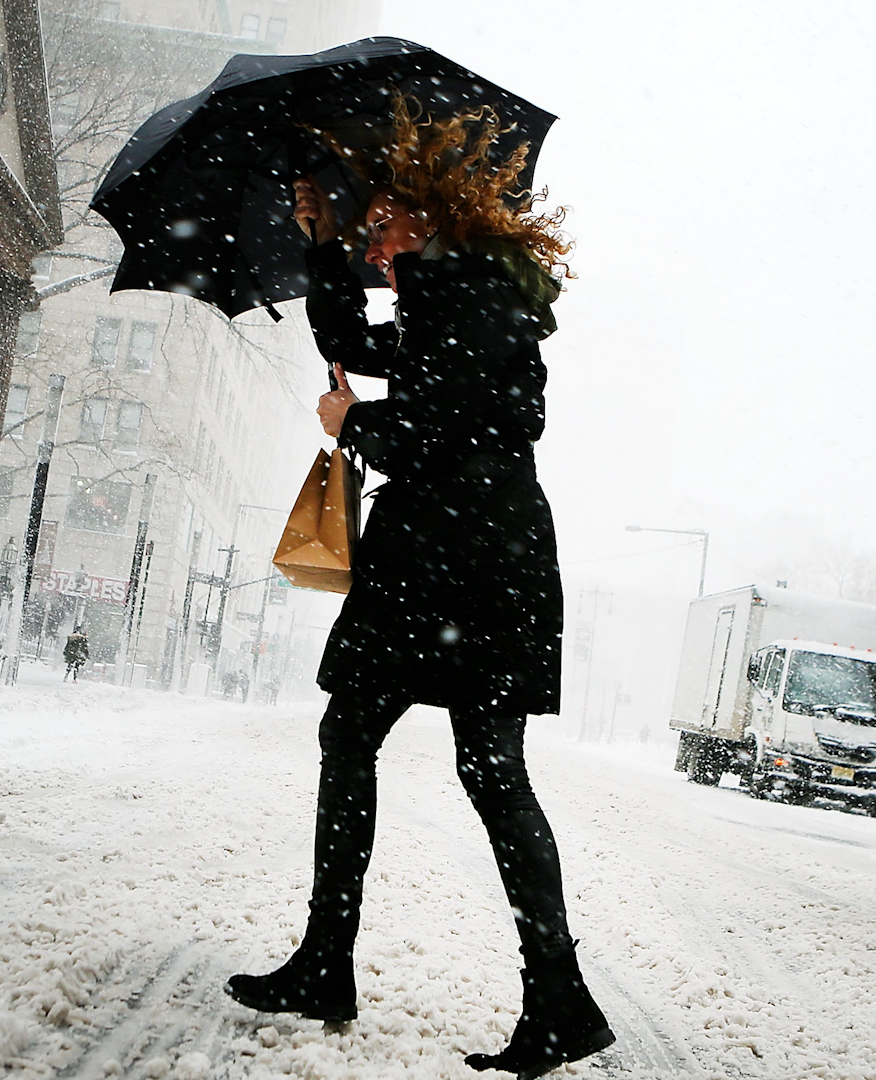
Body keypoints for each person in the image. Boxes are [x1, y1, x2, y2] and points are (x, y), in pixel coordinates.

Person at [224, 101, 614, 1078]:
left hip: (454, 556)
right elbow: (355, 338)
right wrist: (316, 241)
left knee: (380, 741)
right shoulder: (472, 290)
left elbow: (436, 435)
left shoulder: (465, 295)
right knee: (476, 763)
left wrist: (353, 422)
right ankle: (545, 995)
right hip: (486, 556)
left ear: (425, 212)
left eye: (379, 219)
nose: (371, 236)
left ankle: (337, 964)